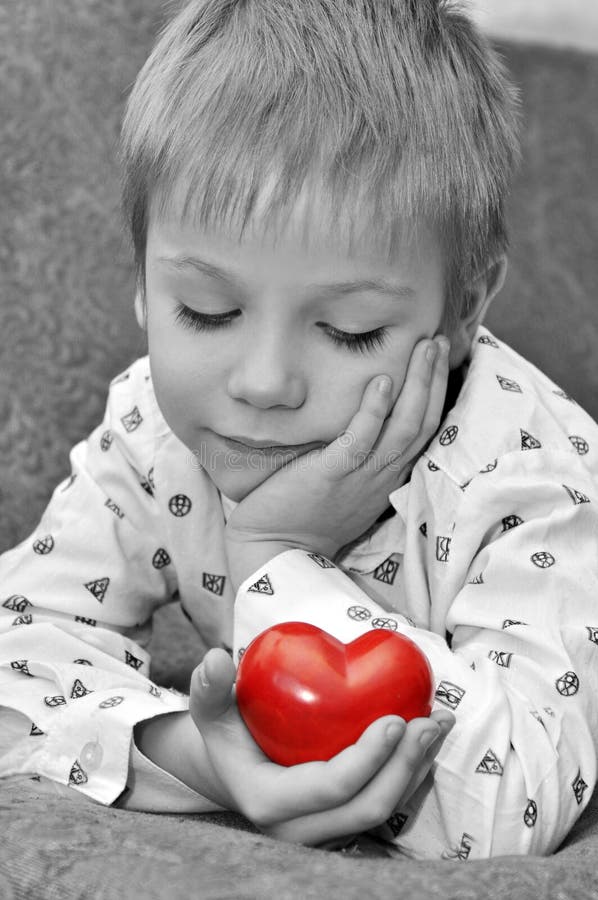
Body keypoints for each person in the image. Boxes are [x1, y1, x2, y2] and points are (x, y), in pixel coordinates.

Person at [1, 0, 597, 860]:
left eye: (351, 330)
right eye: (207, 312)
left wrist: (278, 556)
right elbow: (19, 643)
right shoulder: (154, 430)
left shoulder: (533, 480)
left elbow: (511, 803)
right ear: (141, 285)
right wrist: (202, 758)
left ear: (463, 309)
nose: (264, 383)